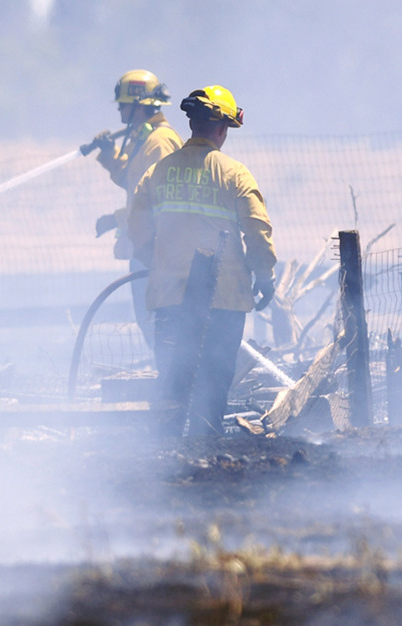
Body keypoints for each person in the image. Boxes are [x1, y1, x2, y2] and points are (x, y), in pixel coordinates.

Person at [127, 85, 276, 437]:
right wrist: (265, 277)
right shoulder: (234, 173)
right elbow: (257, 231)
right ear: (223, 129)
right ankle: (206, 457)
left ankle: (165, 458)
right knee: (212, 384)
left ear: (191, 124)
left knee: (173, 382)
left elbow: (137, 232)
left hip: (169, 300)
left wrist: (162, 263)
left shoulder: (158, 172)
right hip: (223, 302)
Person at [86, 69, 183, 343]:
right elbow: (133, 182)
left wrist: (116, 219)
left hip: (158, 250)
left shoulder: (160, 142)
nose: (118, 110)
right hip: (146, 246)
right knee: (149, 321)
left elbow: (159, 201)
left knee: (158, 323)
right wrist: (108, 154)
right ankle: (167, 376)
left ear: (138, 105)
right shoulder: (143, 139)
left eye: (123, 104)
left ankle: (171, 378)